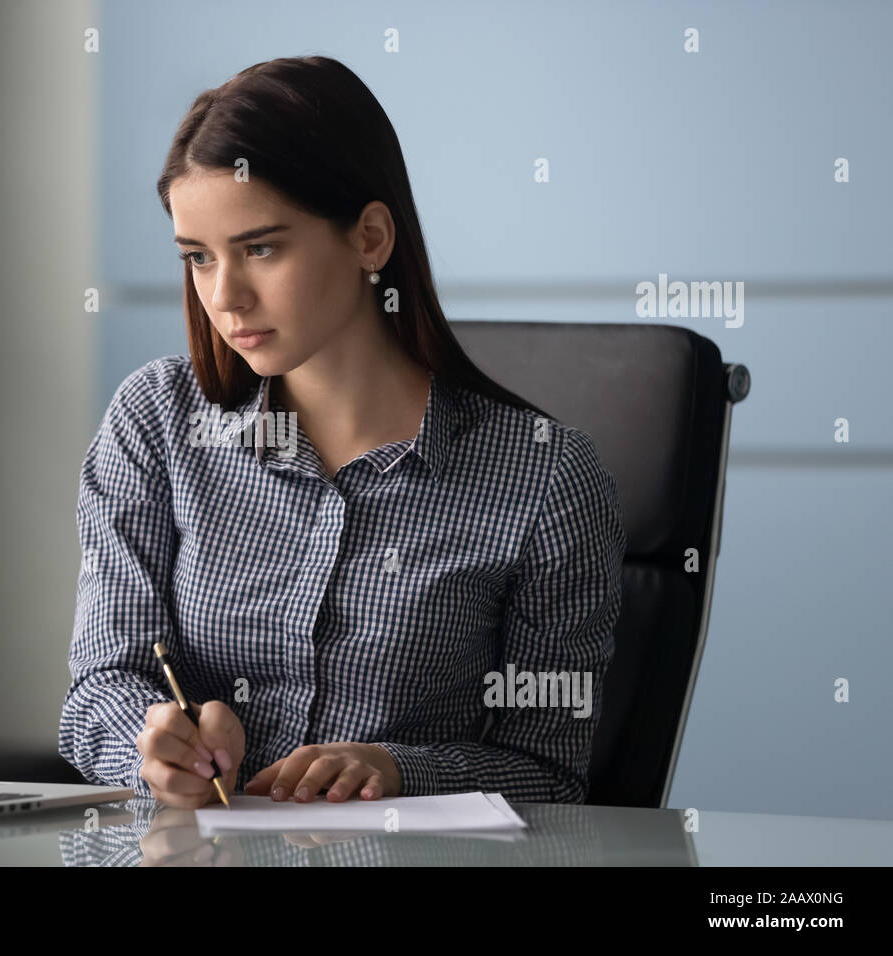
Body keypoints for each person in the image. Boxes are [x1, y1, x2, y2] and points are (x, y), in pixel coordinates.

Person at [59, 55, 626, 810]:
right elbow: (98, 687)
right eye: (199, 257)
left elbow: (549, 775)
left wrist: (398, 772)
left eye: (261, 248)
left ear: (369, 239)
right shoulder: (156, 421)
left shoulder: (547, 480)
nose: (225, 297)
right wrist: (154, 744)